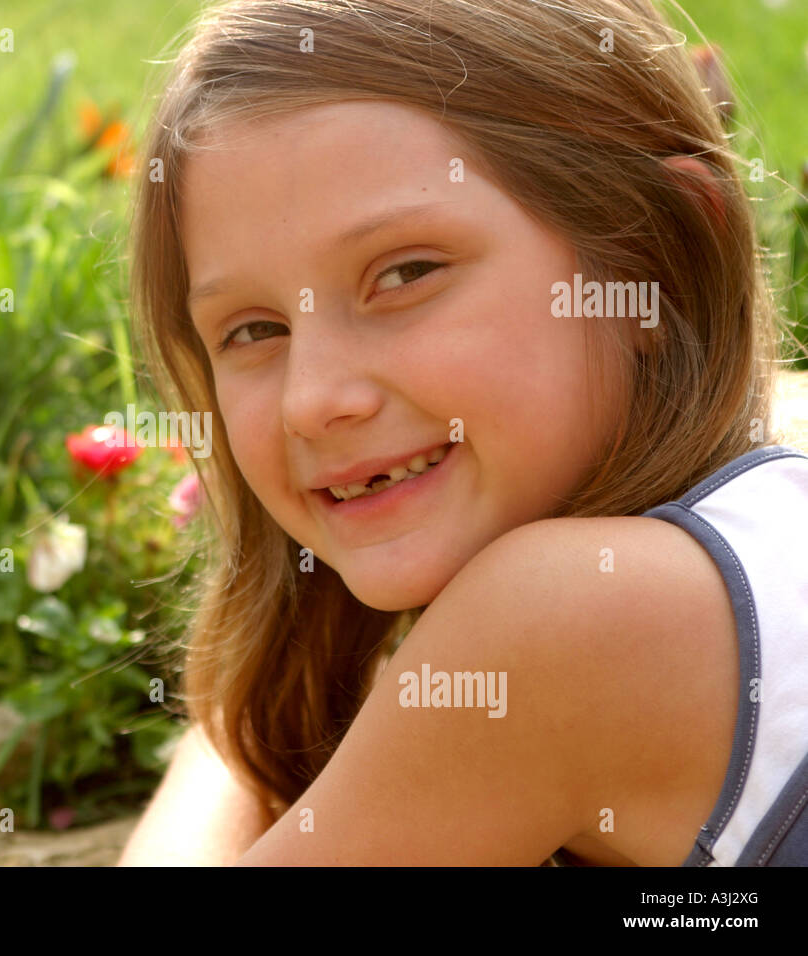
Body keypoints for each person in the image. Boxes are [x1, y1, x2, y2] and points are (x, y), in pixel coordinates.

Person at [116, 0, 808, 866]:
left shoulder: (568, 621)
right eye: (254, 330)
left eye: (405, 274)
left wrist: (220, 744)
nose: (312, 400)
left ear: (652, 266)